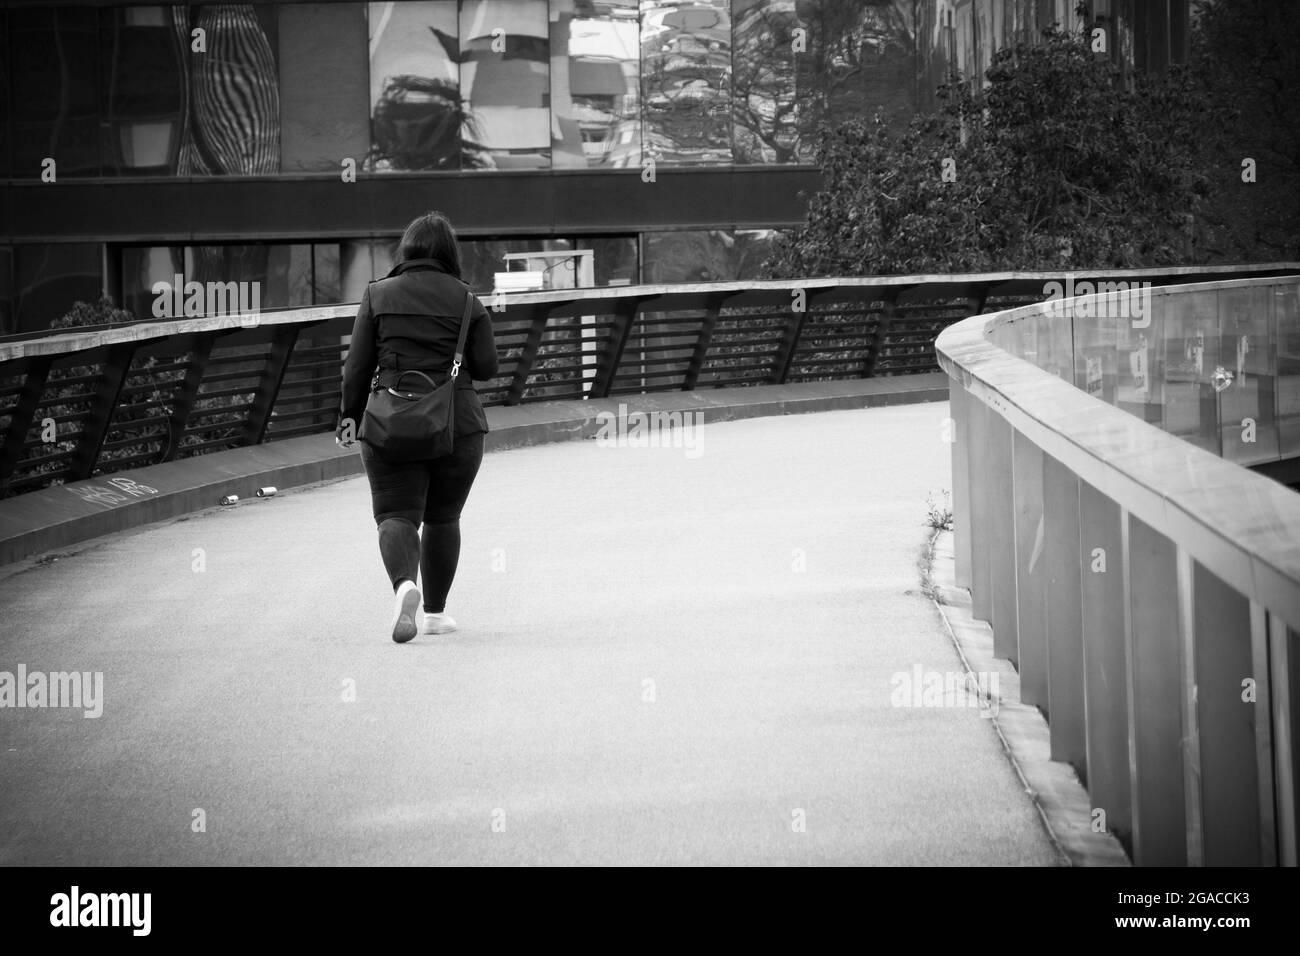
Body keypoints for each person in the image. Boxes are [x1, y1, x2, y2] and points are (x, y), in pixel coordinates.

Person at [336, 211, 498, 643]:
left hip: (389, 424)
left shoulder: (377, 295)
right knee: (444, 517)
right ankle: (435, 614)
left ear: (405, 251)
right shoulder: (467, 300)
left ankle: (405, 584)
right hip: (456, 425)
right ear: (450, 253)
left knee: (395, 513)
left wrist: (350, 418)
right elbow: (486, 368)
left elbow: (355, 369)